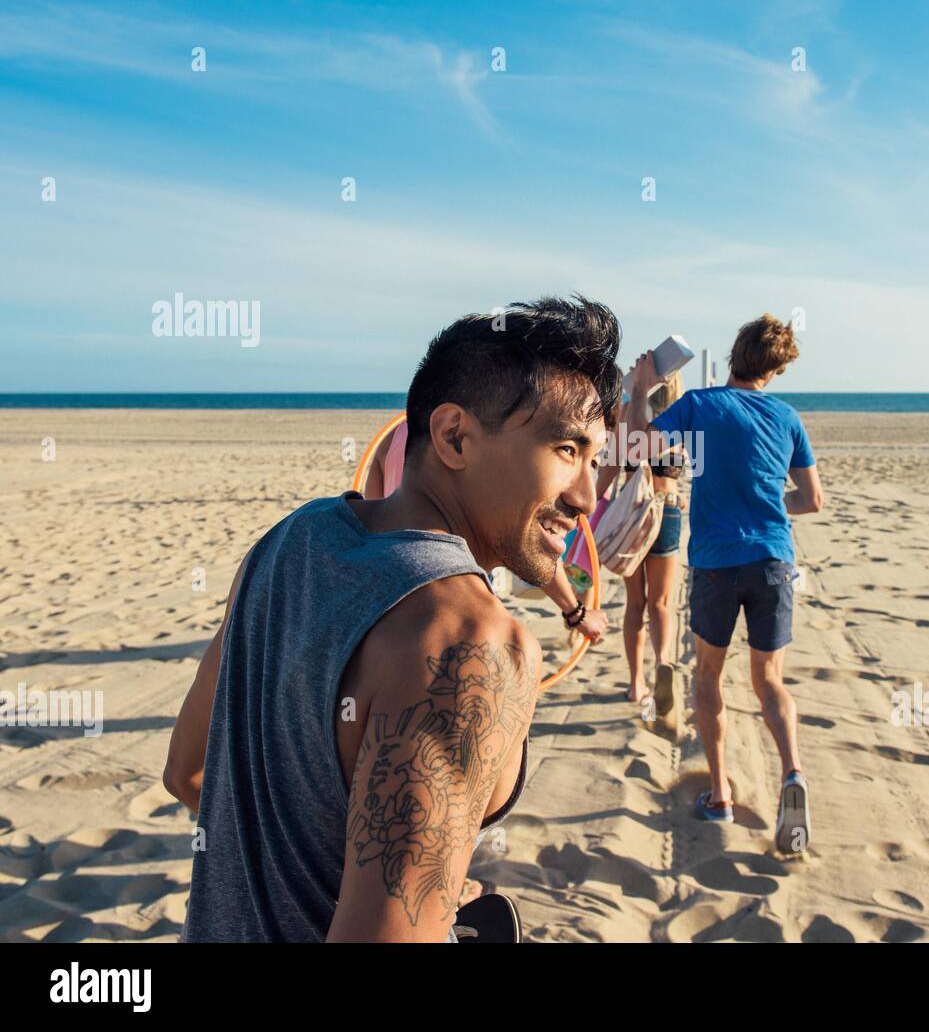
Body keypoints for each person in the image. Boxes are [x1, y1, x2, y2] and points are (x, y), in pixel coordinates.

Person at [165, 296, 621, 941]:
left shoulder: (288, 541)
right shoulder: (471, 642)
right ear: (455, 436)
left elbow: (188, 773)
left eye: (595, 457)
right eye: (566, 448)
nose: (585, 497)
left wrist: (400, 883)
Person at [625, 314, 823, 854]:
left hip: (716, 561)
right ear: (776, 369)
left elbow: (637, 450)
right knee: (770, 681)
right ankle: (793, 773)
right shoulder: (787, 417)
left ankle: (720, 796)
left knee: (708, 675)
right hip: (773, 560)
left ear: (736, 354)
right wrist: (767, 505)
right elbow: (812, 500)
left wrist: (643, 390)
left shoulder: (703, 405)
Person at [368, 420, 607, 644]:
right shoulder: (482, 440)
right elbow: (527, 541)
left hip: (395, 587)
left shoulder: (390, 438)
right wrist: (576, 612)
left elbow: (374, 525)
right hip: (460, 586)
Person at [595, 375, 687, 708]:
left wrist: (590, 501)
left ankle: (636, 685)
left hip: (634, 512)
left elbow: (616, 462)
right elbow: (679, 469)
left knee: (635, 603)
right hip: (669, 508)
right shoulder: (680, 416)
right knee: (661, 602)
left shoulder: (631, 413)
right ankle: (663, 662)